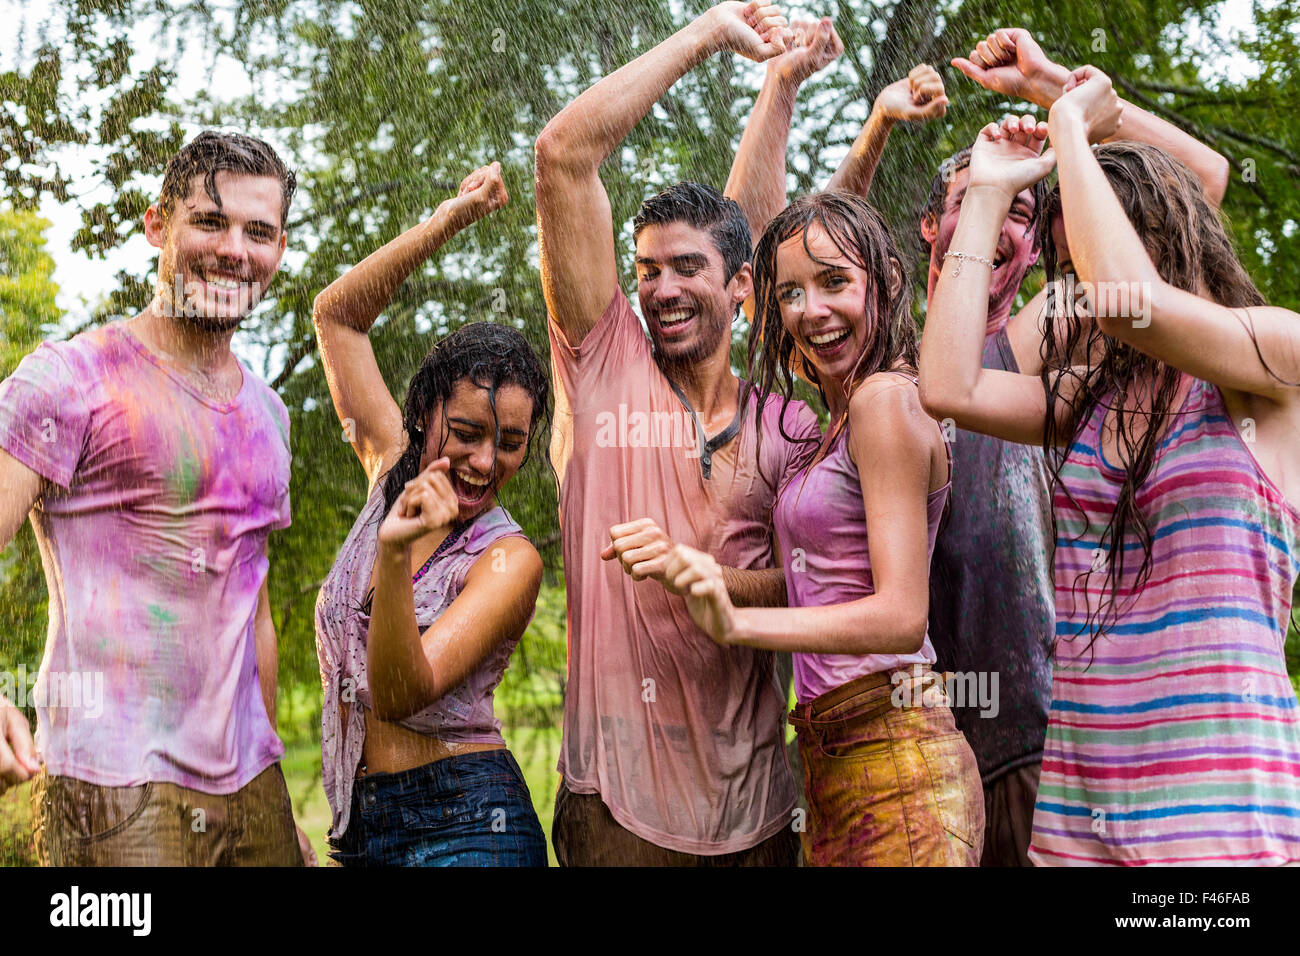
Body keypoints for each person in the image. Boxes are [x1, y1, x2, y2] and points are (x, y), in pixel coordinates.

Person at [918, 68, 1300, 865]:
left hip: (1218, 812)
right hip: (1081, 812)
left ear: (1172, 235)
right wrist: (986, 196)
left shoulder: (1272, 359)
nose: (1085, 295)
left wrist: (1067, 123)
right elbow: (948, 385)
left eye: (1091, 260)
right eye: (1070, 271)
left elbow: (1137, 297)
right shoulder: (1092, 395)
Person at [534, 0, 828, 865]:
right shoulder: (604, 367)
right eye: (647, 270)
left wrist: (724, 583)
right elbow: (562, 155)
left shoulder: (787, 420)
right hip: (617, 815)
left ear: (742, 289)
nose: (661, 288)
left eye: (687, 268)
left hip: (763, 821)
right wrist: (705, 34)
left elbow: (826, 588)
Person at [0, 130, 311, 865]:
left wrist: (275, 793)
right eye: (211, 221)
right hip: (116, 788)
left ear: (279, 248)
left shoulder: (270, 416)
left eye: (258, 231)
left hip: (253, 791)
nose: (235, 249)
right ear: (156, 226)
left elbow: (253, 614)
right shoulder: (69, 379)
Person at [658, 190, 984, 865]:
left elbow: (899, 617)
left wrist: (738, 624)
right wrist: (717, 577)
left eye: (835, 281)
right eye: (790, 293)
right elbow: (827, 583)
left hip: (895, 753)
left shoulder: (884, 402)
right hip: (831, 755)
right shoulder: (836, 419)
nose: (813, 311)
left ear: (886, 282)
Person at [312, 163, 551, 867]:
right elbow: (337, 316)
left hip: (470, 821)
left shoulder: (508, 560)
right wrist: (448, 219)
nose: (484, 462)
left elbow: (399, 692)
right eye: (467, 432)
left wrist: (394, 552)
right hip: (361, 828)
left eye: (510, 444)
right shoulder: (389, 466)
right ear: (422, 416)